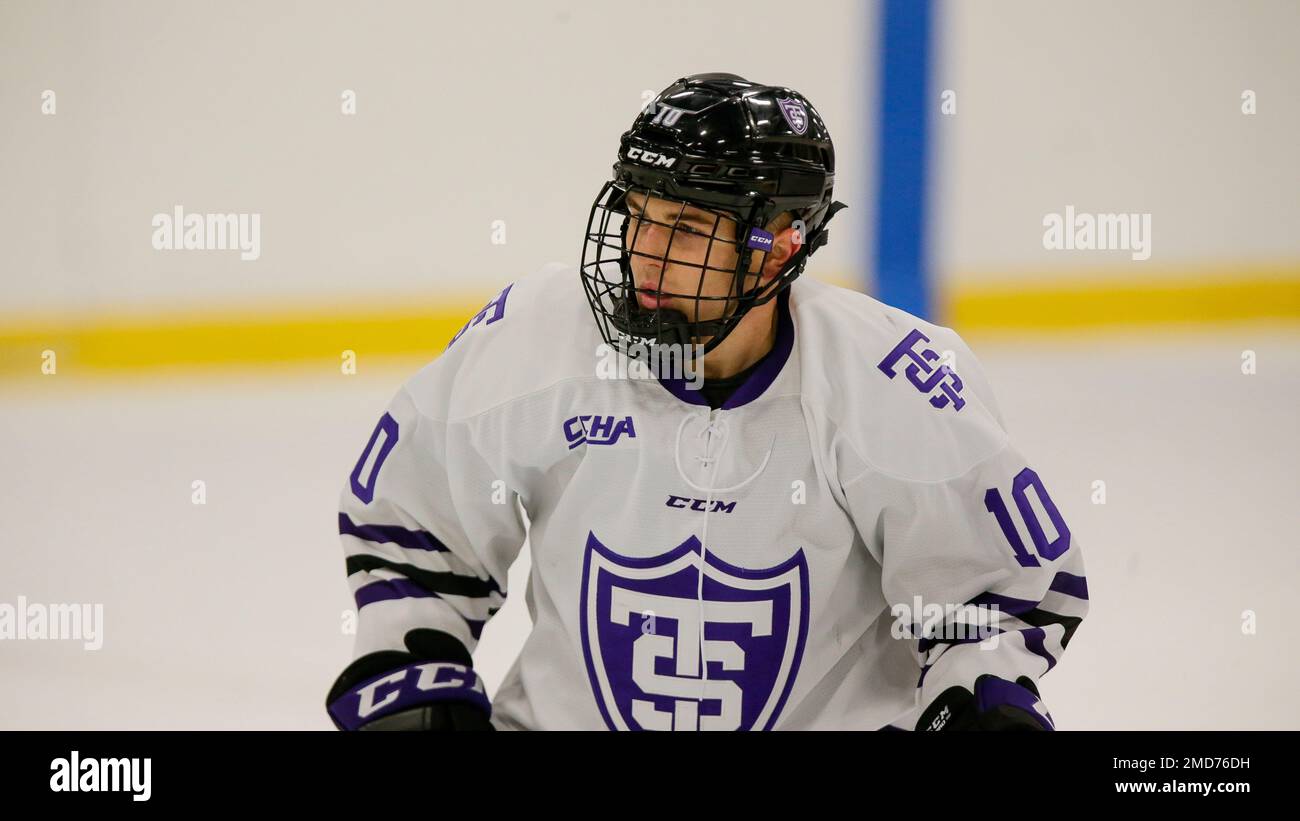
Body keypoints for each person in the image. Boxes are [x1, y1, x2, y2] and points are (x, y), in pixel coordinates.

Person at [326, 73, 1088, 731]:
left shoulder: (886, 384)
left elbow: (996, 594)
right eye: (641, 215)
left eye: (687, 229)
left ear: (781, 244)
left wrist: (980, 697)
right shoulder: (540, 335)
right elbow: (415, 526)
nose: (645, 254)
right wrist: (412, 665)